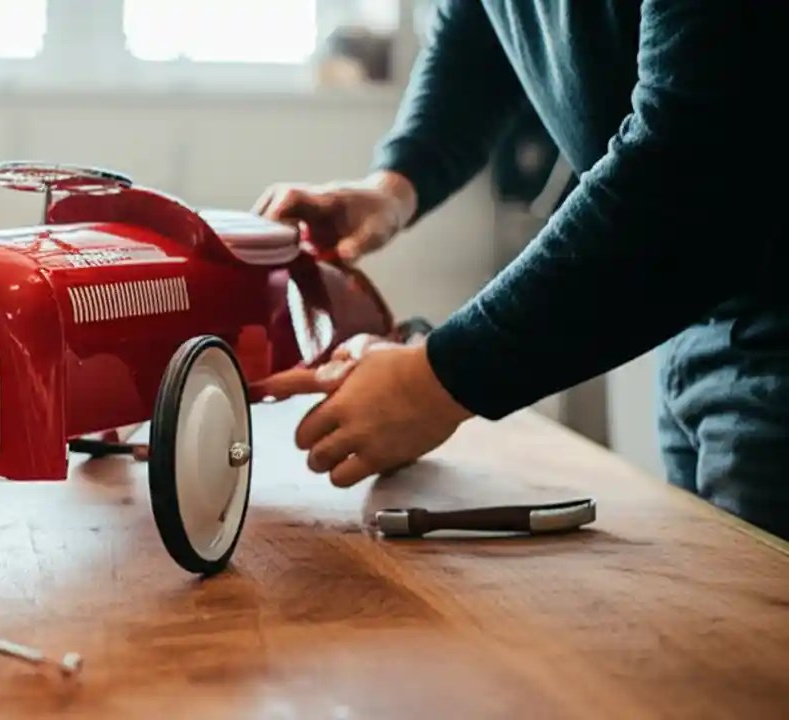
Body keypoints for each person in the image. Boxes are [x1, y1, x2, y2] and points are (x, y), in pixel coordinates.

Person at [250, 0, 786, 539]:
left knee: (756, 607)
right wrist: (393, 187)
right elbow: (480, 29)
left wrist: (437, 380)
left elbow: (689, 166)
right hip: (700, 306)